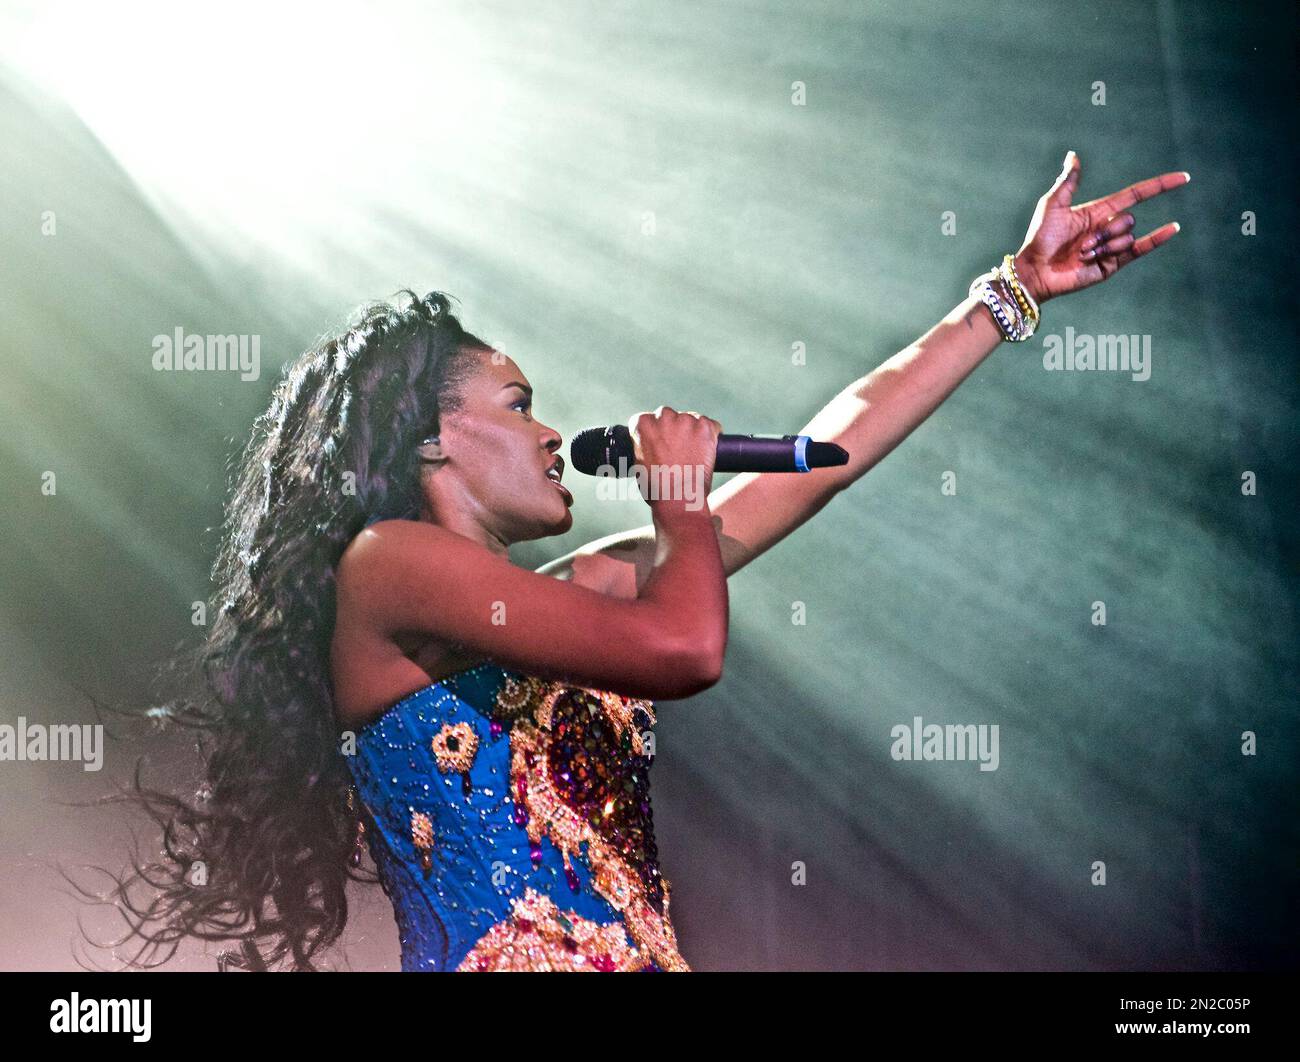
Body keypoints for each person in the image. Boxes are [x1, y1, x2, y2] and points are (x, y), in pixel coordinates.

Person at [83, 150, 1187, 971]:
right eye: (519, 405)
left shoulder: (578, 593)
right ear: (433, 435)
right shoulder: (390, 564)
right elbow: (685, 646)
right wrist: (676, 502)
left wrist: (1008, 295)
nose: (553, 433)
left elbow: (823, 459)